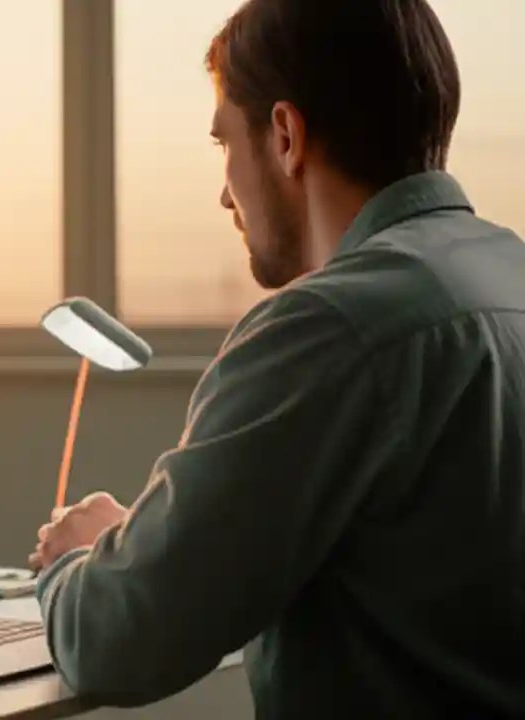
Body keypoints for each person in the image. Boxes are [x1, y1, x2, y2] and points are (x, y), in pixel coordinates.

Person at [27, 0, 525, 717]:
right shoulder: (506, 276)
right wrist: (154, 548)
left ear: (286, 136)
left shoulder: (325, 328)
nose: (225, 191)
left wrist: (75, 562)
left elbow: (118, 644)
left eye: (224, 144)